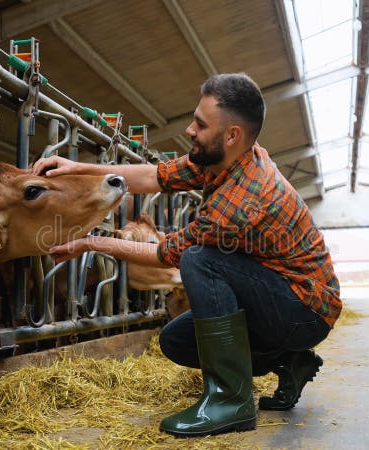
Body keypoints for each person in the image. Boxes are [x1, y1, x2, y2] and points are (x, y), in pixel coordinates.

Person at [32, 73, 342, 437]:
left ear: (232, 135)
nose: (190, 130)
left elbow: (166, 254)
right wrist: (79, 169)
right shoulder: (223, 157)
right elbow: (153, 176)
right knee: (176, 340)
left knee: (199, 258)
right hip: (280, 295)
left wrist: (89, 242)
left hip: (305, 309)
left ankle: (231, 402)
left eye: (200, 123)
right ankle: (289, 361)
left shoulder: (243, 197)